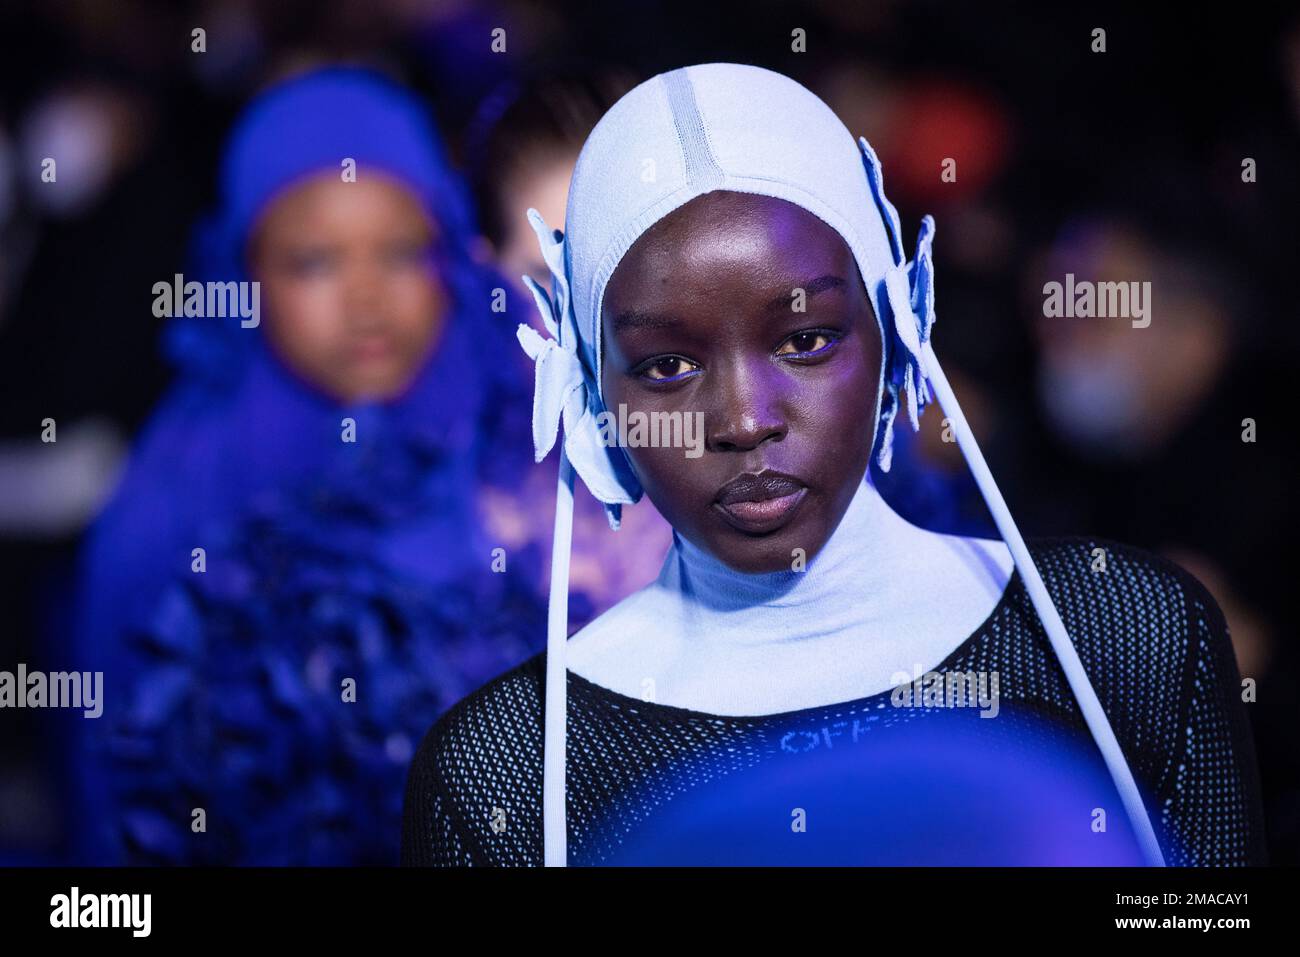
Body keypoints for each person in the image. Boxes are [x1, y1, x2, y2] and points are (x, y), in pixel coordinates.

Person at [400, 63, 1265, 867]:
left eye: (807, 339)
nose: (742, 420)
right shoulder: (506, 772)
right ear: (591, 392)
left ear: (898, 329)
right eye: (667, 365)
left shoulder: (1123, 635)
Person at [71, 66, 545, 864]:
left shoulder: (524, 422)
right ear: (243, 273)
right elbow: (114, 786)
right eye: (314, 263)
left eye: (401, 252)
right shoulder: (179, 495)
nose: (365, 299)